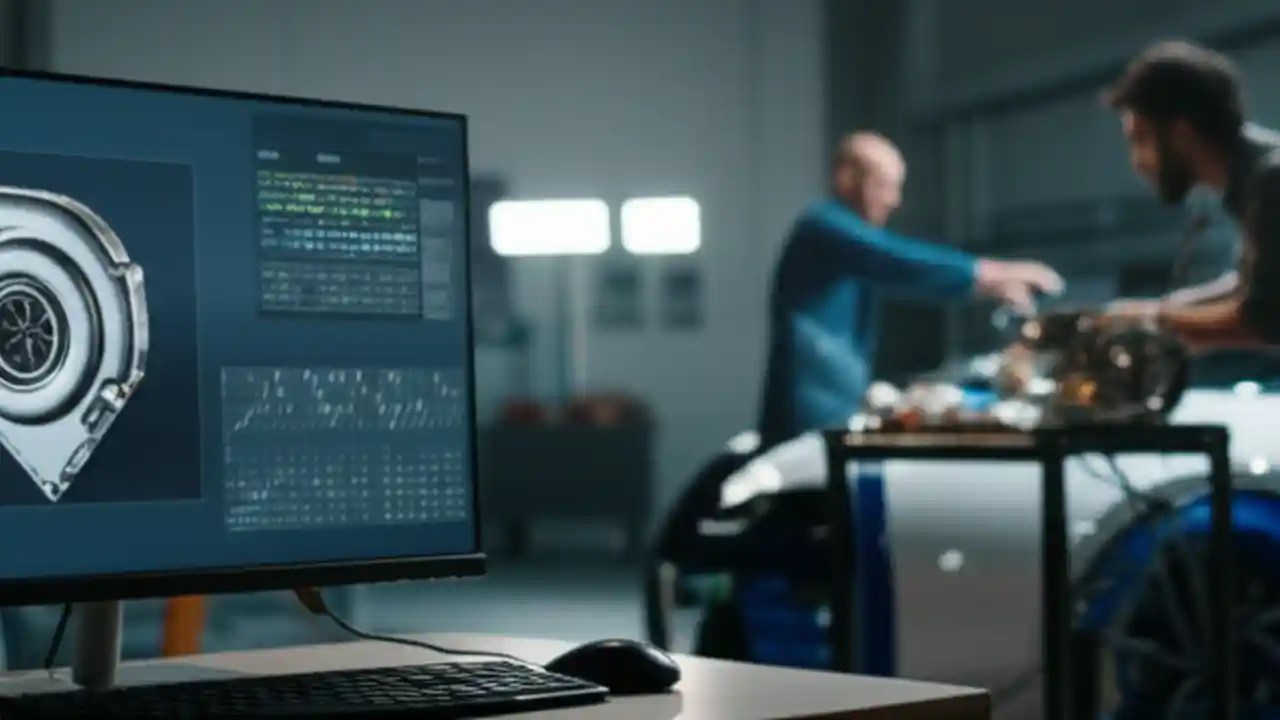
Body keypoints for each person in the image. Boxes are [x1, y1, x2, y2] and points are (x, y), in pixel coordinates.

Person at [756, 131, 1063, 449]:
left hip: (832, 414)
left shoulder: (839, 239)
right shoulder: (823, 226)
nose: (894, 200)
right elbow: (901, 261)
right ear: (847, 178)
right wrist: (996, 274)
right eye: (883, 185)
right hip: (806, 421)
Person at [1104, 40, 1280, 350]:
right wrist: (1175, 305)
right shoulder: (1256, 182)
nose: (1137, 163)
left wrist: (1153, 319)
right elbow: (1258, 284)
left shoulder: (1272, 182)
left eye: (1140, 139)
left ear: (1181, 134)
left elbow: (1267, 317)